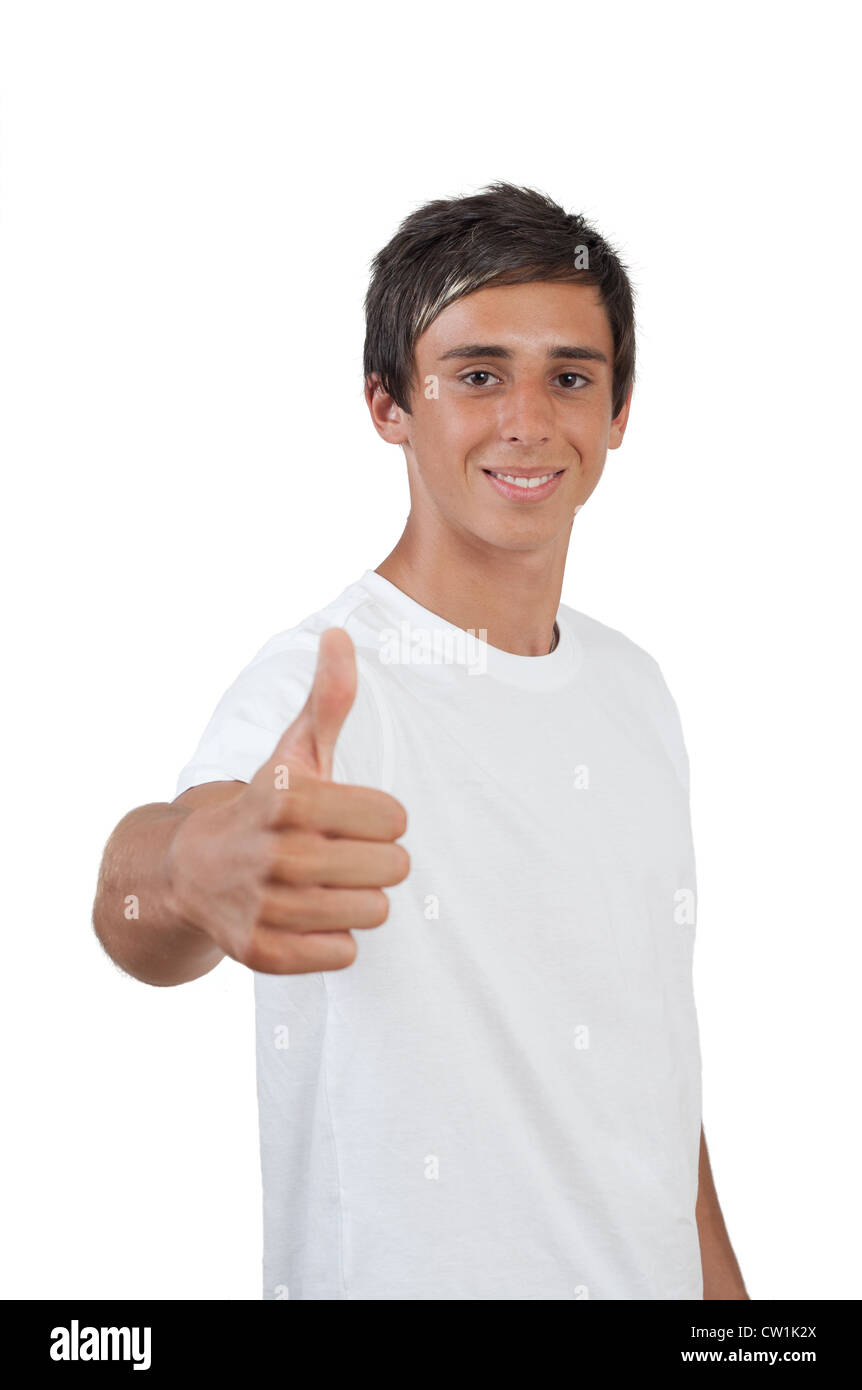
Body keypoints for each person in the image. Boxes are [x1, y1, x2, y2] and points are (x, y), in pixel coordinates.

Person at [93, 182, 748, 1301]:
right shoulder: (325, 682)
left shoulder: (638, 692)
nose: (528, 421)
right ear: (388, 403)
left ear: (618, 410)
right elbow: (138, 902)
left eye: (570, 377)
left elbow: (652, 1088)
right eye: (477, 374)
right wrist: (192, 874)